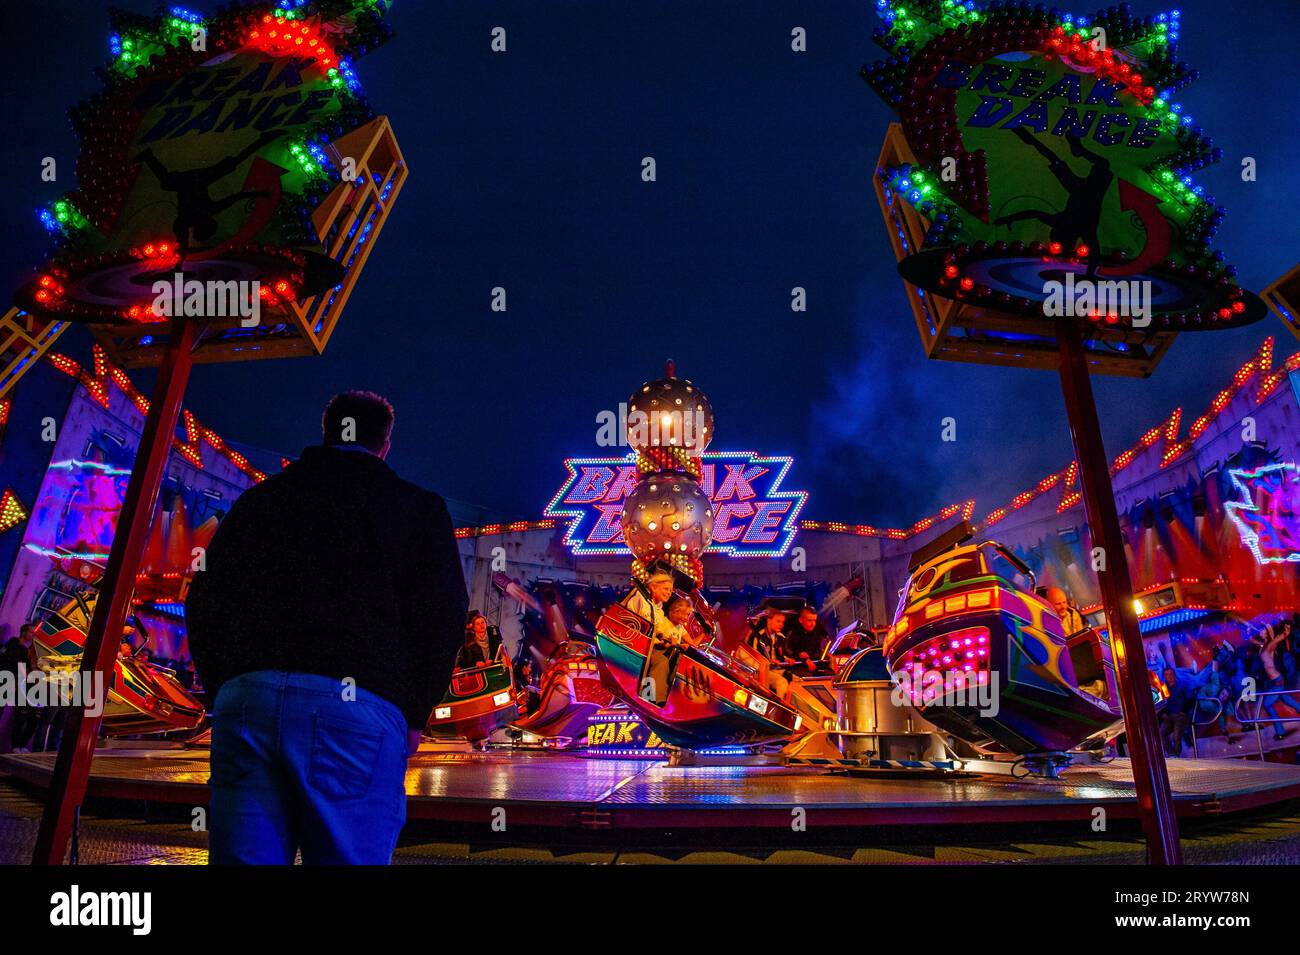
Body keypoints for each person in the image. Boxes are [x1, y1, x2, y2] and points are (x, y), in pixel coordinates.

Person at [186, 391, 468, 865]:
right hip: (357, 704)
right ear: (385, 444)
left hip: (247, 699)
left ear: (327, 431)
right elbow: (444, 613)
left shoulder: (260, 500)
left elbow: (207, 597)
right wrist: (417, 711)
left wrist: (226, 687)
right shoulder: (418, 509)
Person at [0, 624, 39, 753]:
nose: (33, 635)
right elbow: (15, 664)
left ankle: (17, 746)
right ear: (23, 632)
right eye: (31, 632)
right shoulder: (15, 644)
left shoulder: (24, 650)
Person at [746, 608, 792, 699]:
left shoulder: (781, 637)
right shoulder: (759, 637)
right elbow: (755, 657)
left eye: (782, 622)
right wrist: (770, 661)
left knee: (795, 680)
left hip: (777, 669)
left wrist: (787, 659)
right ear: (769, 621)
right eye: (778, 621)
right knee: (782, 682)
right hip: (763, 671)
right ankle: (779, 707)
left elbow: (783, 655)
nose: (781, 625)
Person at [786, 605, 828, 675]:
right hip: (797, 666)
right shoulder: (793, 633)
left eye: (814, 620)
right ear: (801, 620)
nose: (813, 624)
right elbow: (792, 651)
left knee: (830, 674)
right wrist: (805, 659)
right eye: (809, 620)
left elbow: (817, 650)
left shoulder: (816, 631)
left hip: (814, 663)